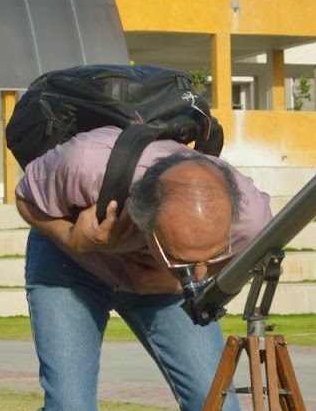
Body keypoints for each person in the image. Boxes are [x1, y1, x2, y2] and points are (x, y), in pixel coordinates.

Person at [16, 126, 273, 411]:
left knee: (216, 404)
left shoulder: (252, 220)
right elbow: (25, 196)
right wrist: (72, 238)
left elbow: (247, 259)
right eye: (182, 261)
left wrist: (178, 280)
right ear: (144, 221)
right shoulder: (85, 165)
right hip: (73, 265)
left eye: (207, 259)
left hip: (160, 285)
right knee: (69, 405)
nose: (197, 273)